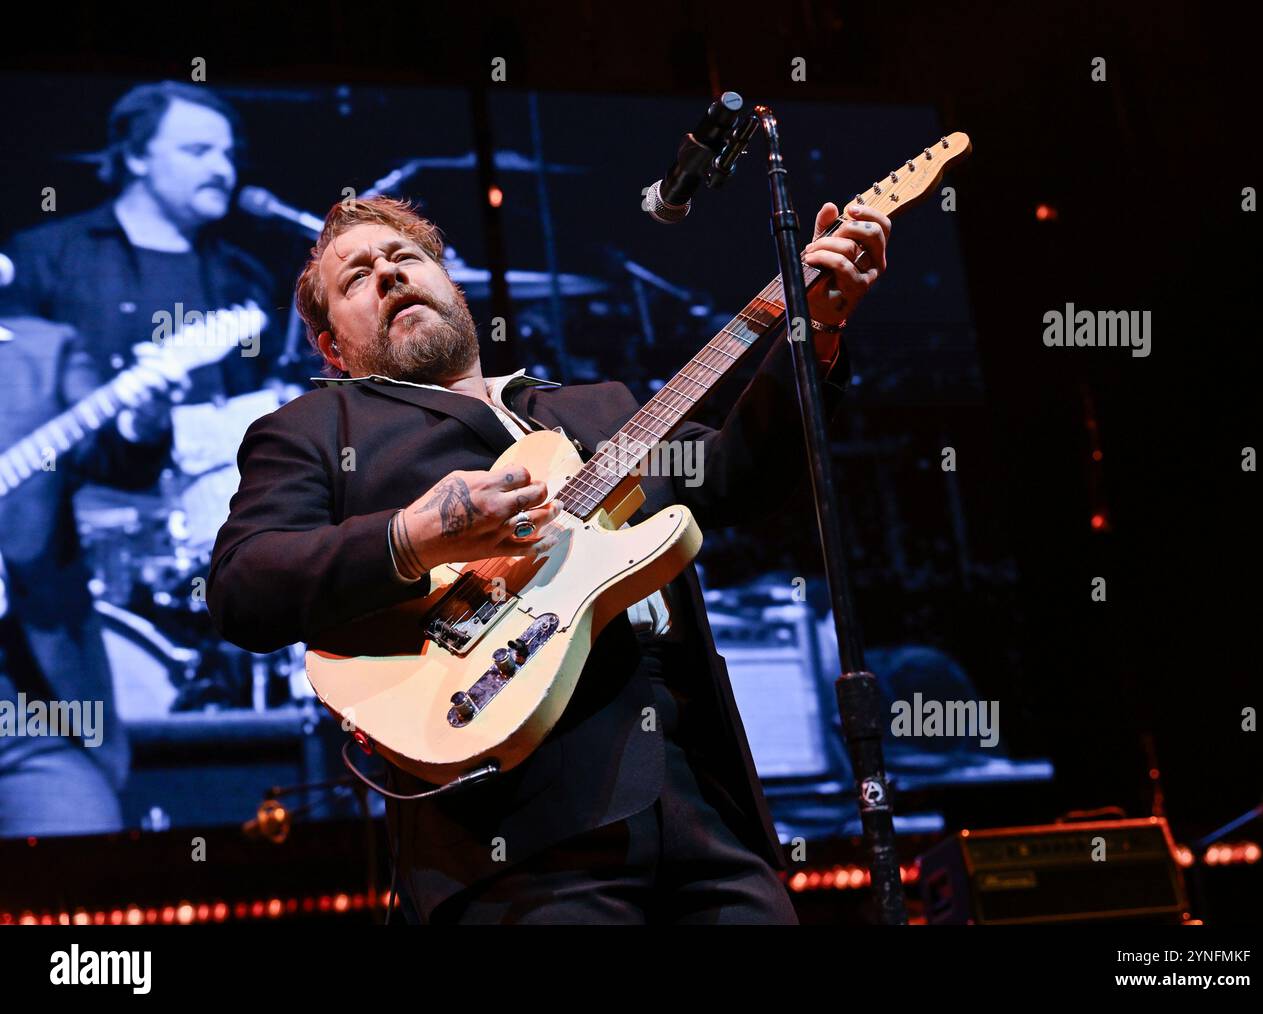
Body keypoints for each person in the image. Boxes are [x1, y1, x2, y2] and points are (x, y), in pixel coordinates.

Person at [208, 194, 889, 923]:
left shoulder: (594, 409)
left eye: (406, 258)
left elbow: (739, 475)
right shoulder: (315, 428)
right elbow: (245, 583)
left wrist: (815, 328)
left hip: (703, 810)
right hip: (517, 837)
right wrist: (413, 536)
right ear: (332, 349)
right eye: (357, 277)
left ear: (452, 287)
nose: (388, 274)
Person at [0, 317, 181, 836]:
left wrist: (141, 420)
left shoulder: (43, 352)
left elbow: (113, 455)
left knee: (83, 864)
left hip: (28, 709)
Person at [0, 80, 274, 401]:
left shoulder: (243, 274)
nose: (222, 169)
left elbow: (264, 383)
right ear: (136, 157)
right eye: (198, 151)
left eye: (228, 155)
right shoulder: (44, 254)